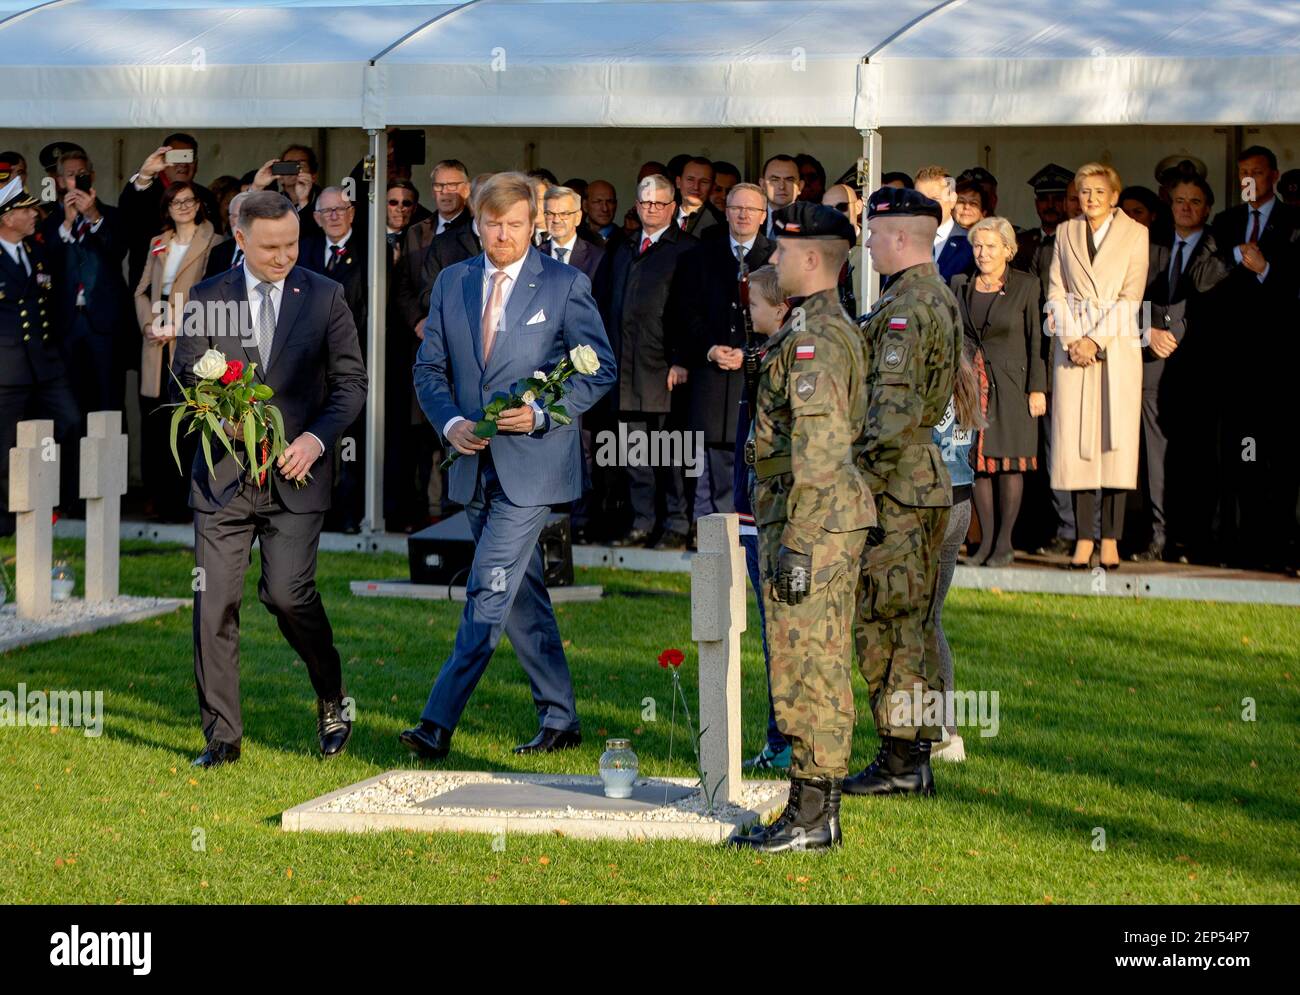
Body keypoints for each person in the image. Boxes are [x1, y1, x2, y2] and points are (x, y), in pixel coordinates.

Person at [401, 172, 615, 761]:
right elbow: (429, 370)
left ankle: (436, 723)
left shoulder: (566, 284)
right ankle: (560, 717)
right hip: (471, 464)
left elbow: (600, 369)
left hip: (533, 470)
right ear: (477, 223)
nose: (503, 235)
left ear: (535, 223)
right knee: (521, 593)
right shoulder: (452, 282)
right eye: (493, 224)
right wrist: (450, 423)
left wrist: (543, 412)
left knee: (488, 589)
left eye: (516, 225)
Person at [173, 191, 367, 768]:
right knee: (214, 604)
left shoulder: (326, 296)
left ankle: (332, 696)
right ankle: (222, 738)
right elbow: (187, 377)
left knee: (287, 595)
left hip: (295, 477)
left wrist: (314, 439)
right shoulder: (206, 298)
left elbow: (351, 385)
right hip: (224, 479)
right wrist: (219, 416)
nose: (284, 256)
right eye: (270, 247)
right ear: (240, 240)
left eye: (292, 244)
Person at [727, 202, 872, 853]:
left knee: (807, 663)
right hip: (821, 521)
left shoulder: (814, 338)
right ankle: (819, 811)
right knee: (819, 661)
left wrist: (798, 542)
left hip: (813, 524)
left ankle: (810, 815)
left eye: (781, 251)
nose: (773, 261)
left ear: (811, 259)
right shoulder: (818, 328)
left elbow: (819, 449)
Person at [845, 186, 960, 798]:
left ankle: (902, 761)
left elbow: (888, 418)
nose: (866, 243)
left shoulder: (904, 310)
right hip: (917, 481)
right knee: (904, 622)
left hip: (897, 489)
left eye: (873, 233)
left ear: (899, 237)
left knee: (889, 624)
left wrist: (851, 493)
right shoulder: (925, 296)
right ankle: (905, 757)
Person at [1046, 163, 1149, 571]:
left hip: (1116, 348)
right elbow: (1056, 289)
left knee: (1115, 447)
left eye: (1098, 192)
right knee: (1078, 448)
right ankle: (1083, 538)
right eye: (1084, 191)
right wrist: (1073, 340)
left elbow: (1132, 295)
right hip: (1074, 352)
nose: (1090, 198)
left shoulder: (1135, 234)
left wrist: (1095, 340)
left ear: (1114, 196)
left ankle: (1111, 540)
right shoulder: (1065, 232)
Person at [1209, 145, 1300, 570]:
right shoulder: (1226, 224)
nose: (1248, 180)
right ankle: (1238, 543)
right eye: (1243, 172)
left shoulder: (1295, 221)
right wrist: (1233, 260)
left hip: (1279, 369)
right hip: (1235, 370)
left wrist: (1266, 270)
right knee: (1241, 455)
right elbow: (1206, 280)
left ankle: (1276, 546)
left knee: (1277, 461)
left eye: (1257, 173)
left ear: (1274, 177)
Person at [1136, 174, 1230, 563]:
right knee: (1155, 460)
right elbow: (1130, 297)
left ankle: (1197, 540)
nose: (1186, 207)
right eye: (1179, 201)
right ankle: (1160, 538)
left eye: (1194, 201)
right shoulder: (1150, 246)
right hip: (1155, 368)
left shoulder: (1220, 246)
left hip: (1202, 371)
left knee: (1199, 458)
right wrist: (1146, 332)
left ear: (1207, 208)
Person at [602, 173, 696, 549]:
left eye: (659, 203)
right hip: (626, 369)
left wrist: (681, 359)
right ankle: (642, 523)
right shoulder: (622, 248)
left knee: (671, 454)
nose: (651, 209)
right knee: (634, 454)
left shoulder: (686, 249)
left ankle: (676, 524)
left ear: (673, 207)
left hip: (665, 370)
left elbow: (693, 312)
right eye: (645, 202)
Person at [949, 217, 1046, 567]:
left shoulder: (1027, 286)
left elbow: (1038, 340)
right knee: (979, 466)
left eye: (991, 246)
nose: (983, 253)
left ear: (1008, 249)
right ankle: (985, 542)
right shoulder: (961, 284)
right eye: (977, 246)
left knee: (1010, 463)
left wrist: (1038, 387)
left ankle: (1005, 543)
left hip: (1012, 385)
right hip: (972, 386)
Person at [677, 182, 773, 522]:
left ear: (763, 216)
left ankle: (745, 533)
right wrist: (709, 349)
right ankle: (707, 534)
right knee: (705, 460)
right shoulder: (701, 256)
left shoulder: (775, 257)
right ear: (727, 211)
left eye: (751, 209)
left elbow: (783, 315)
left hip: (757, 377)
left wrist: (751, 352)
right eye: (736, 208)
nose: (743, 214)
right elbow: (685, 312)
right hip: (711, 378)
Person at [134, 181, 220, 522]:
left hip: (189, 337)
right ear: (166, 208)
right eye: (175, 202)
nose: (182, 206)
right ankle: (159, 498)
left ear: (200, 204)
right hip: (156, 341)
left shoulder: (215, 241)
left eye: (189, 200)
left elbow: (212, 294)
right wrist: (148, 326)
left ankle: (186, 501)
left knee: (187, 422)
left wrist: (181, 327)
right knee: (157, 423)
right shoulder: (158, 243)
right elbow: (141, 290)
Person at [0, 173, 80, 537]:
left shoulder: (35, 250)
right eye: (27, 210)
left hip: (45, 365)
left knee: (67, 424)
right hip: (7, 369)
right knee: (3, 448)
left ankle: (46, 495)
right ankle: (6, 519)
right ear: (6, 217)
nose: (35, 215)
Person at [733, 264, 790, 770]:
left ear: (781, 307)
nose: (748, 315)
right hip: (758, 508)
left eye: (754, 306)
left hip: (775, 513)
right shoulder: (767, 355)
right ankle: (783, 735)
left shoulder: (785, 359)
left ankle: (786, 738)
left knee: (783, 629)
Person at [38, 149, 131, 417]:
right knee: (67, 405)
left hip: (103, 324)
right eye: (69, 175)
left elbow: (118, 251)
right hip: (64, 323)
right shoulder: (48, 222)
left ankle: (109, 460)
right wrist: (67, 223)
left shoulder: (111, 215)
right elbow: (44, 262)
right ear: (58, 180)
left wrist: (92, 216)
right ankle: (70, 459)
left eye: (81, 174)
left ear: (91, 176)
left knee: (108, 401)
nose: (76, 180)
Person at [298, 186, 368, 533]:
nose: (335, 216)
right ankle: (315, 512)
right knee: (313, 435)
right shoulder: (305, 250)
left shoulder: (369, 250)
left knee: (352, 443)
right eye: (327, 211)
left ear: (352, 212)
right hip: (310, 361)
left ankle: (348, 514)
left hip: (351, 360)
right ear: (316, 218)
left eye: (341, 209)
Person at [928, 342, 982, 762]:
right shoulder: (965, 379)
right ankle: (945, 731)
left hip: (933, 506)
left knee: (923, 621)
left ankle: (940, 730)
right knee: (932, 619)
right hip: (960, 502)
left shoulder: (930, 383)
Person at [118, 134, 220, 291]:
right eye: (176, 157)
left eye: (188, 157)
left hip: (197, 290)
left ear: (197, 164)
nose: (183, 164)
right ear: (164, 161)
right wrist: (144, 175)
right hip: (152, 290)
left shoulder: (206, 197)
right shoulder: (146, 190)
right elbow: (127, 213)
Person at [914, 165, 974, 281]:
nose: (926, 205)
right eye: (920, 199)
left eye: (935, 199)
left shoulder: (971, 244)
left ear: (953, 200)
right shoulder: (903, 242)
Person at [540, 185, 606, 281]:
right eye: (550, 213)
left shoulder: (597, 257)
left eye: (564, 214)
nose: (556, 220)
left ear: (578, 217)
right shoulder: (534, 255)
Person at [204, 191, 251, 279]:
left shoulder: (266, 251)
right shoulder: (218, 251)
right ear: (230, 218)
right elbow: (206, 286)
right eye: (237, 216)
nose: (241, 221)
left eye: (246, 216)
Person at [674, 157, 724, 237]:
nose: (696, 187)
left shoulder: (719, 222)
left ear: (712, 187)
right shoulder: (661, 212)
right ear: (678, 182)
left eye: (704, 182)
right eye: (690, 180)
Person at [760, 154, 802, 237]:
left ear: (800, 186)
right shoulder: (750, 216)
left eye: (789, 180)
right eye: (774, 180)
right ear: (763, 185)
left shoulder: (811, 218)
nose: (782, 186)